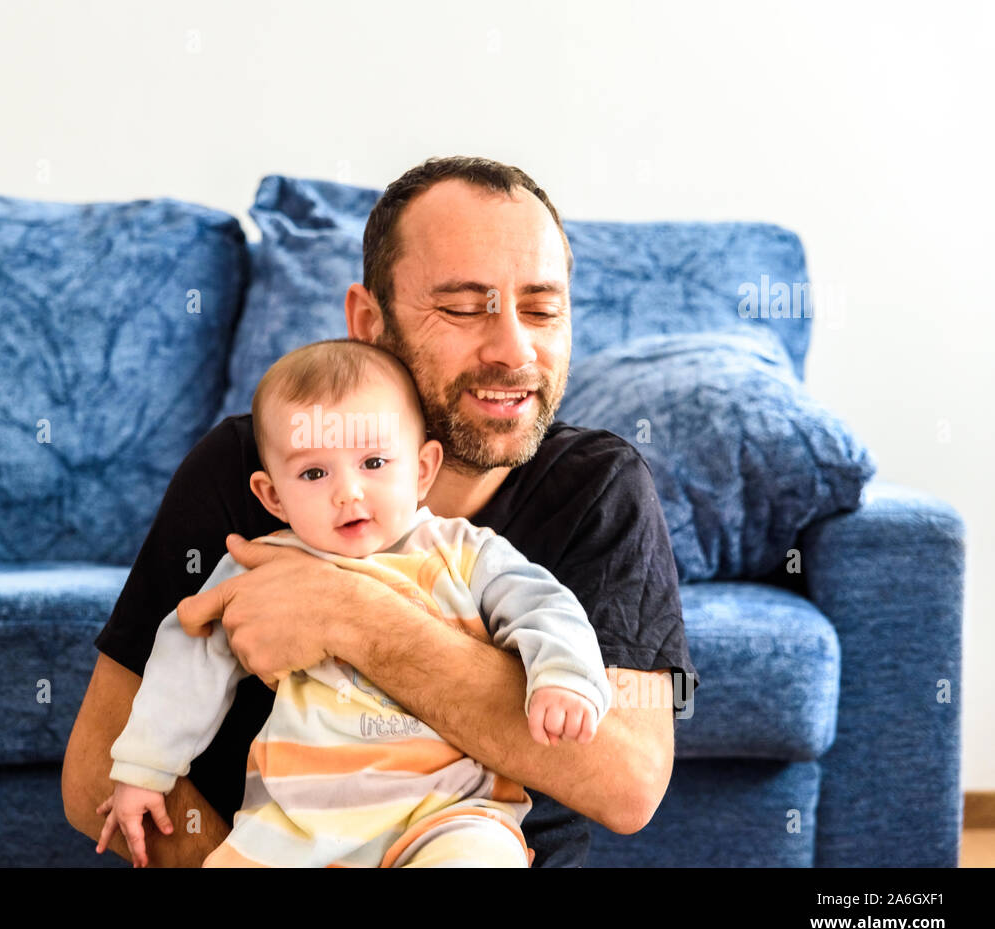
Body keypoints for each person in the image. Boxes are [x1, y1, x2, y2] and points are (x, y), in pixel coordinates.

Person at [62, 155, 699, 868]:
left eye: (543, 309)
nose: (514, 349)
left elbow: (628, 783)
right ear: (369, 320)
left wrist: (350, 614)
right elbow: (95, 768)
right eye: (463, 307)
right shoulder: (248, 468)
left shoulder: (600, 489)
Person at [95, 339, 612, 867]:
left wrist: (564, 677)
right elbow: (190, 655)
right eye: (314, 473)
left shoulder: (464, 552)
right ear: (272, 496)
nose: (348, 492)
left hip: (447, 812)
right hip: (296, 826)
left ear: (423, 467)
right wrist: (143, 769)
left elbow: (543, 605)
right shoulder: (263, 565)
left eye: (373, 461)